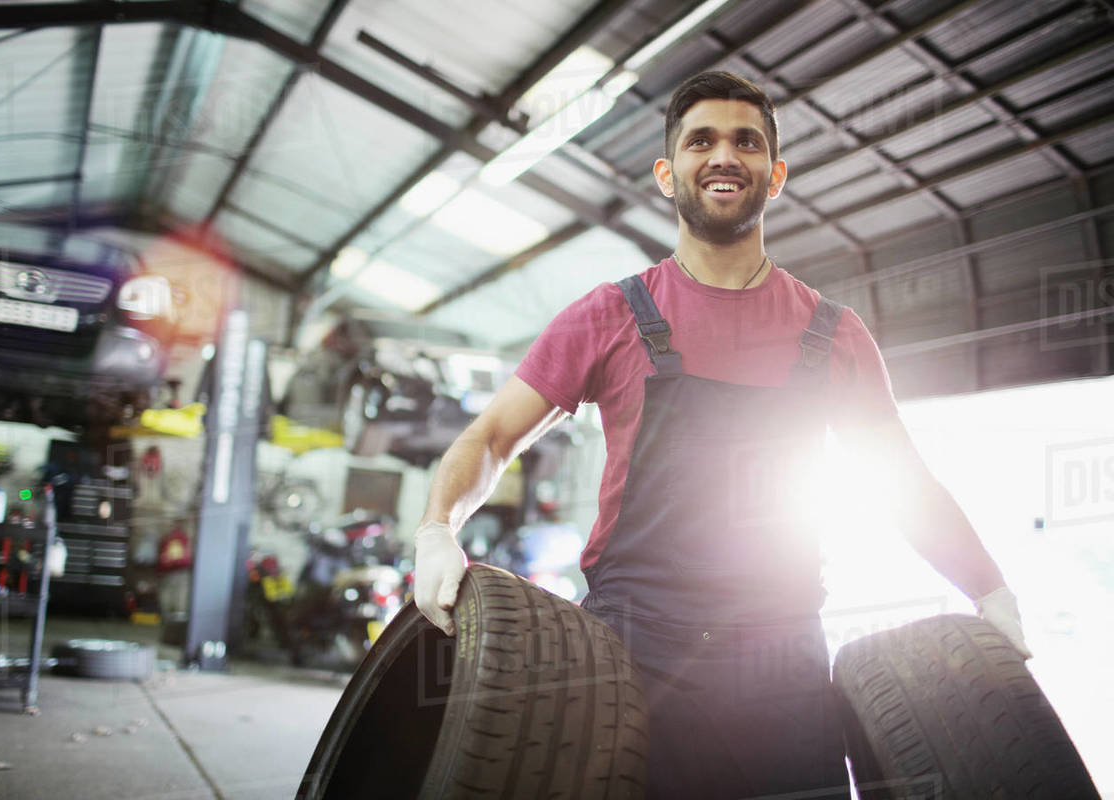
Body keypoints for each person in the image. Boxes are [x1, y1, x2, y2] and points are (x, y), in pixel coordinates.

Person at [413, 71, 1030, 799]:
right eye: (700, 140)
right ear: (667, 173)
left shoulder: (833, 335)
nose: (724, 156)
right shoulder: (608, 315)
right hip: (627, 656)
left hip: (782, 667)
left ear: (776, 176)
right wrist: (436, 528)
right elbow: (489, 438)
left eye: (747, 141)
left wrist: (989, 590)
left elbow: (904, 486)